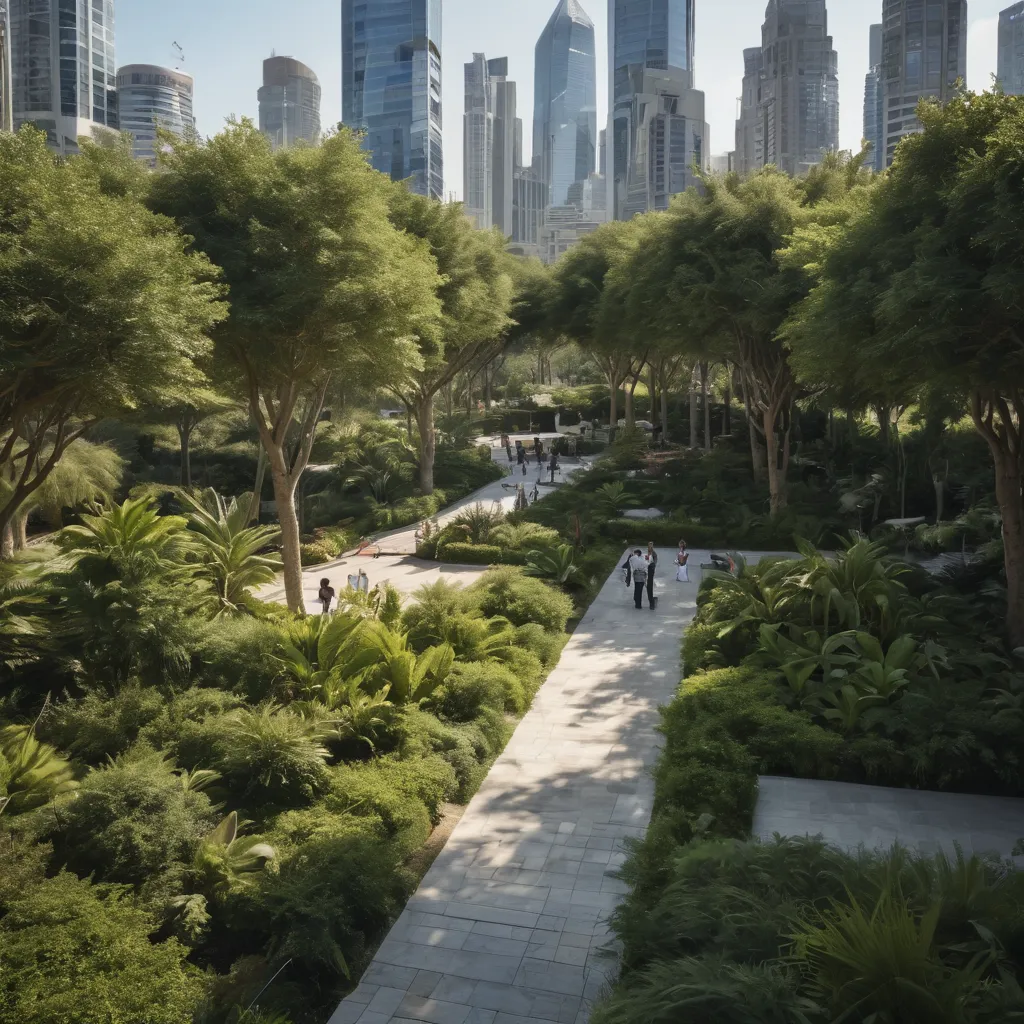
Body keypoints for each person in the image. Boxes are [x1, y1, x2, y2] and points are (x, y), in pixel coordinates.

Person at [646, 541, 659, 607]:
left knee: (649, 585)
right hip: (645, 571)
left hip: (650, 570)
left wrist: (652, 565)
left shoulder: (654, 553)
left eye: (651, 546)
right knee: (648, 586)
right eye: (649, 545)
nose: (650, 547)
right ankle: (651, 600)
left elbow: (655, 562)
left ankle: (651, 601)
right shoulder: (646, 552)